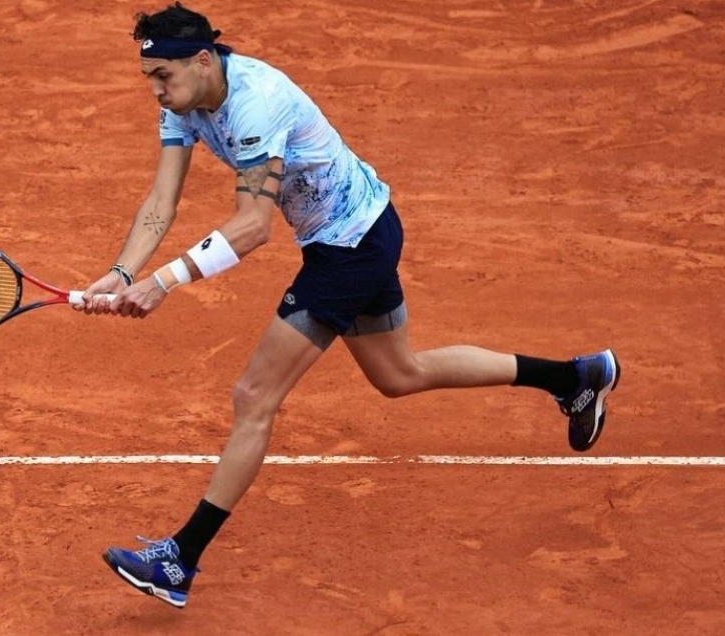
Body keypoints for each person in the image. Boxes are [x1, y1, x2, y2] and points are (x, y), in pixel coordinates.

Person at [78, 2, 621, 609]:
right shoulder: (185, 104)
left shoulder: (256, 103)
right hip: (360, 230)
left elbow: (254, 226)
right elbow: (160, 200)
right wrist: (123, 271)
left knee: (254, 395)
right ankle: (575, 377)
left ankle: (180, 559)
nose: (155, 91)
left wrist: (165, 281)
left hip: (350, 246)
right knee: (399, 374)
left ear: (203, 61)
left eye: (163, 77)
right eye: (149, 78)